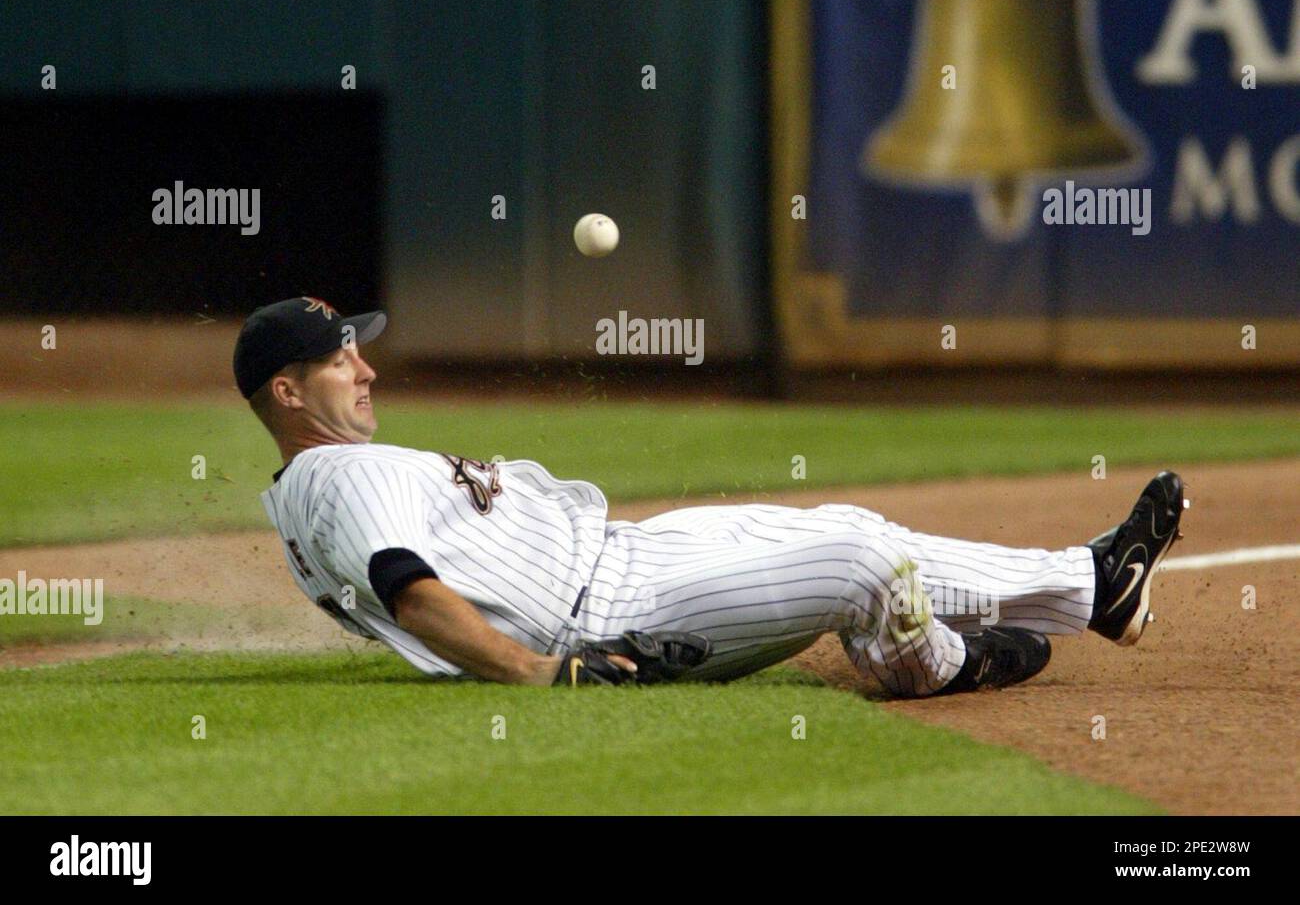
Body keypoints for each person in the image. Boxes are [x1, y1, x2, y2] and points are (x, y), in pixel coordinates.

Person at [234, 297, 1186, 695]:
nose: (364, 365)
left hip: (628, 557)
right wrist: (535, 674)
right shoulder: (337, 476)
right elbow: (407, 587)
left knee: (851, 525)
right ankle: (933, 664)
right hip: (606, 613)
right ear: (286, 393)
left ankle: (1093, 585)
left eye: (359, 346)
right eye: (337, 358)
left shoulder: (315, 486)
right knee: (864, 564)